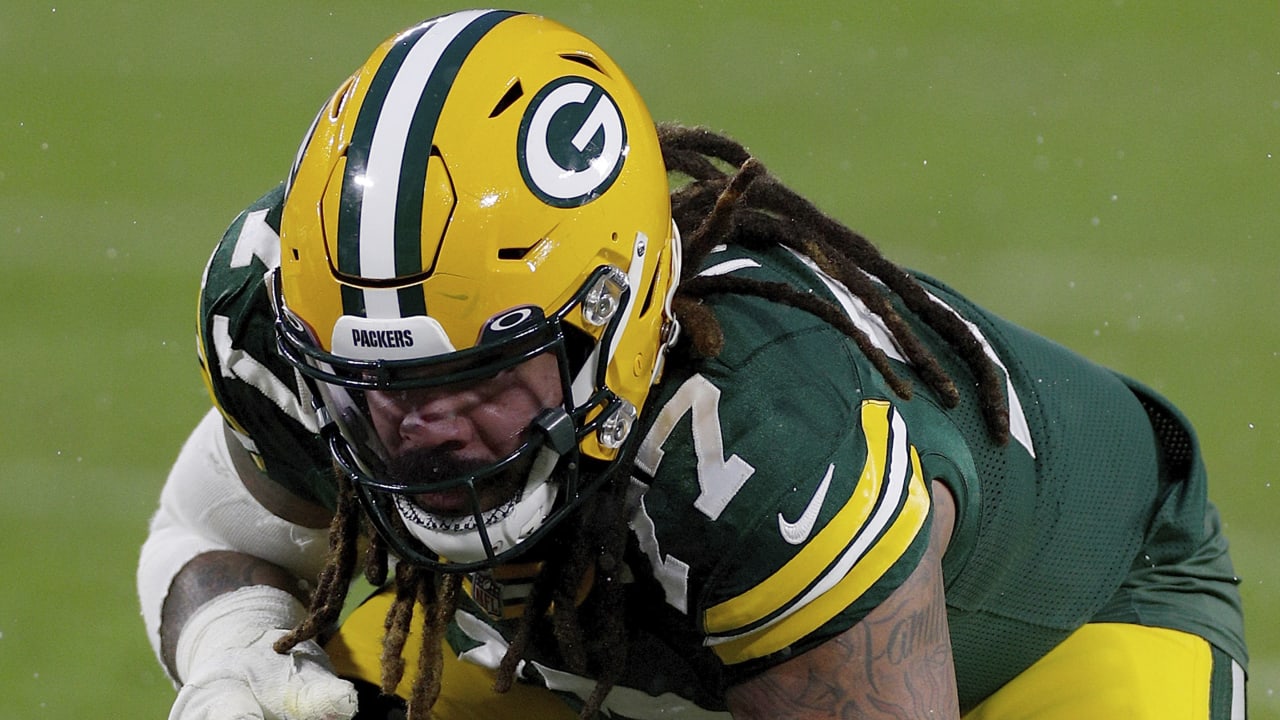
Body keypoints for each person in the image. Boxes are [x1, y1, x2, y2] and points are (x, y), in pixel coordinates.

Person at [137, 9, 1248, 720]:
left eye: (478, 378)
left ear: (611, 322)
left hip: (1055, 633)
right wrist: (233, 659)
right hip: (624, 632)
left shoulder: (760, 445)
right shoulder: (281, 315)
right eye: (383, 388)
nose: (426, 432)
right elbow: (209, 535)